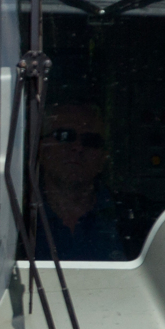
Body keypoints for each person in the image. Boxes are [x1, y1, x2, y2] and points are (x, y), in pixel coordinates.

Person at [31, 101, 130, 259]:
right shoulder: (16, 219)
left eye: (91, 140)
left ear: (104, 157)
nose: (78, 147)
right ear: (41, 150)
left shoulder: (132, 221)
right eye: (65, 136)